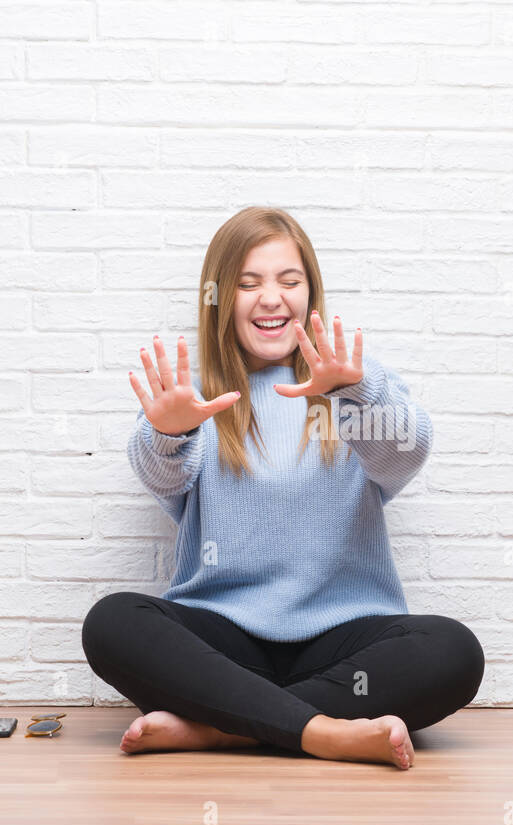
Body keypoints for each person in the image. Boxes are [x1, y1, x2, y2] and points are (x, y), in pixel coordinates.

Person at [80, 206, 484, 770]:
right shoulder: (196, 397)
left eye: (288, 281)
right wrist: (167, 432)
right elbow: (161, 479)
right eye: (248, 284)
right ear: (219, 299)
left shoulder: (356, 383)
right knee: (113, 621)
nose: (271, 297)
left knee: (454, 651)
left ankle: (225, 731)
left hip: (343, 642)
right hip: (225, 644)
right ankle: (324, 731)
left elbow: (406, 453)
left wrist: (357, 390)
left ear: (310, 294)